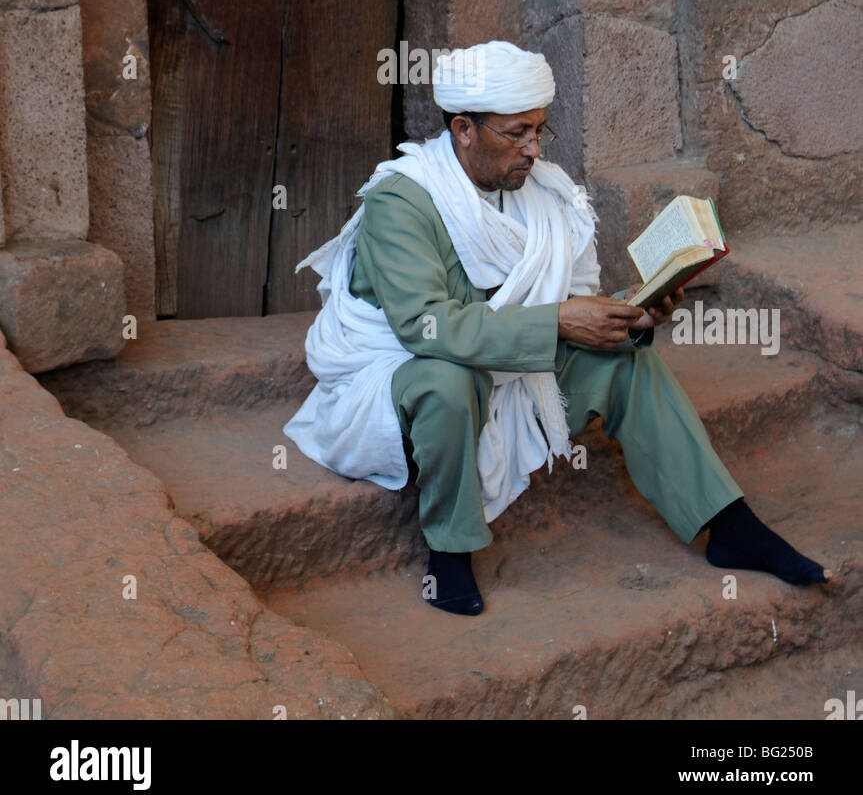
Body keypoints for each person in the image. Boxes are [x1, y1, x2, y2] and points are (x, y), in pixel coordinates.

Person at [284, 40, 830, 615]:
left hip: (507, 365)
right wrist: (562, 321)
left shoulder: (541, 192)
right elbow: (428, 327)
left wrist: (628, 312)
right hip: (402, 373)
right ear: (464, 129)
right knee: (448, 381)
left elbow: (565, 303)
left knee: (627, 361)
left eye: (541, 131)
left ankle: (729, 526)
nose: (533, 149)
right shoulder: (404, 202)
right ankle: (449, 551)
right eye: (517, 133)